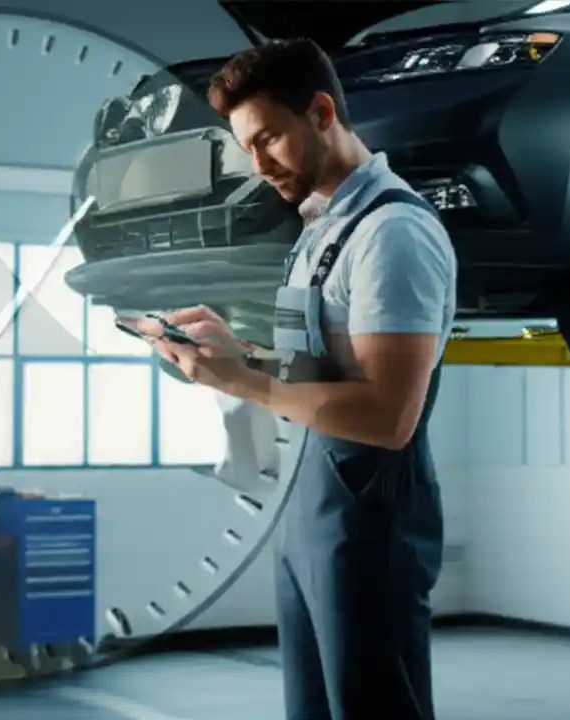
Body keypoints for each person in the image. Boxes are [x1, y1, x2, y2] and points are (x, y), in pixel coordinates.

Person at [134, 38, 457, 720]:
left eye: (268, 139)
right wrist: (237, 353)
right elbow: (318, 372)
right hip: (307, 517)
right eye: (246, 148)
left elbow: (388, 416)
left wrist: (242, 381)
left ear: (321, 113)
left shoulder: (392, 234)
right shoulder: (321, 230)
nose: (258, 166)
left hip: (370, 527)